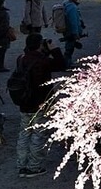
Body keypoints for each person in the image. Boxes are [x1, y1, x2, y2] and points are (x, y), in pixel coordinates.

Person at [14, 33, 66, 177]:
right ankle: (34, 167)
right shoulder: (43, 61)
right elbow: (62, 64)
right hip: (41, 102)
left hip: (24, 101)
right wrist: (53, 49)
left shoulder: (21, 58)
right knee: (38, 135)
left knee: (24, 133)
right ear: (39, 45)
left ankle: (22, 165)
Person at [60, 0, 87, 68]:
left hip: (66, 29)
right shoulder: (73, 7)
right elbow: (73, 22)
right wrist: (75, 33)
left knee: (69, 46)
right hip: (71, 31)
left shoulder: (65, 4)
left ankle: (67, 63)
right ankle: (66, 64)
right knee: (69, 48)